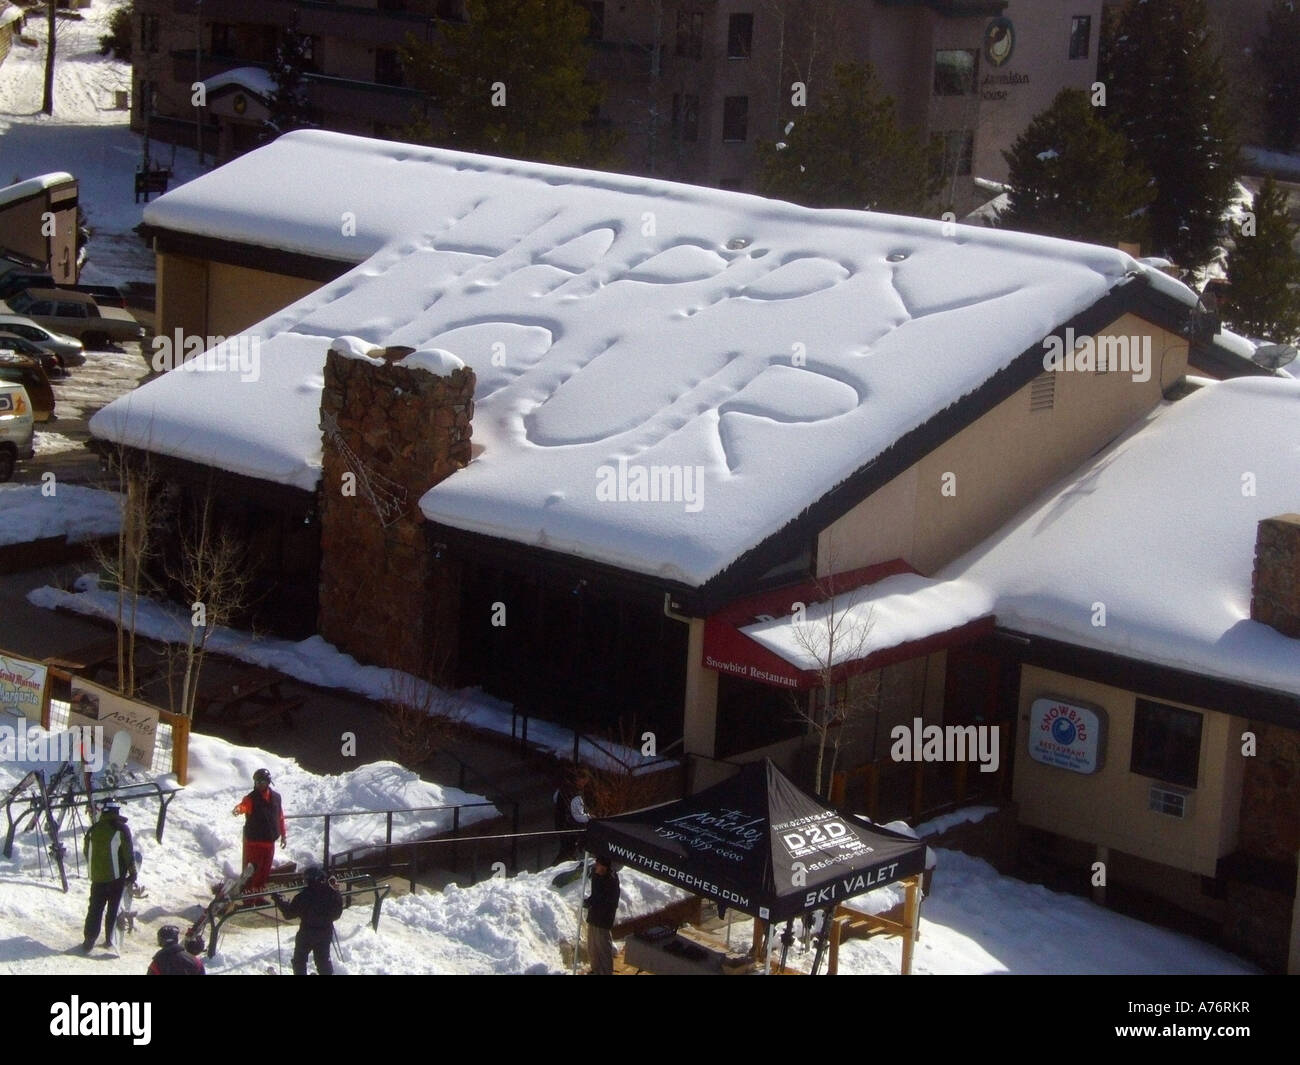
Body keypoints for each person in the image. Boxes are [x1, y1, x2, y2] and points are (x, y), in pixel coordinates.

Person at [81, 801, 136, 953]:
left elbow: (87, 852)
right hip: (115, 877)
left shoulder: (93, 829)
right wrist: (132, 872)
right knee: (113, 909)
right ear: (116, 812)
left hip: (97, 877)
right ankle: (110, 940)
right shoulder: (120, 829)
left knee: (95, 908)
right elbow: (128, 853)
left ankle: (89, 939)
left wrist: (98, 868)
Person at [272, 865, 344, 976]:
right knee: (323, 960)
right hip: (325, 932)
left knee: (299, 960)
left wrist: (279, 900)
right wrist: (336, 891)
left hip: (307, 933)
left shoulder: (303, 896)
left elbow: (289, 913)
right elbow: (337, 914)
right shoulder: (331, 894)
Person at [231, 768, 286, 903]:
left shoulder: (276, 798)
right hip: (254, 843)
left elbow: (280, 817)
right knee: (251, 871)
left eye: (262, 781)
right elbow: (243, 806)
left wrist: (283, 835)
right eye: (257, 782)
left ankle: (258, 895)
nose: (259, 784)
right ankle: (248, 899)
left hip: (269, 843)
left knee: (264, 872)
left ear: (268, 782)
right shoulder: (250, 798)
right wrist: (238, 809)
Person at [584, 852, 620, 976]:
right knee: (592, 946)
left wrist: (593, 903)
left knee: (603, 948)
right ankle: (595, 970)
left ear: (604, 867)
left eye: (598, 865)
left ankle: (605, 972)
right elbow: (595, 894)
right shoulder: (596, 874)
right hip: (594, 915)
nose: (596, 867)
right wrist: (589, 901)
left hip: (603, 918)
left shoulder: (611, 880)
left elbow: (608, 901)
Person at [553, 768, 590, 863]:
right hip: (570, 827)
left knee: (566, 849)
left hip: (560, 823)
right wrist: (590, 817)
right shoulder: (575, 795)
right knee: (568, 851)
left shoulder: (563, 788)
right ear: (579, 780)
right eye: (584, 781)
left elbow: (555, 799)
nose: (585, 784)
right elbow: (578, 816)